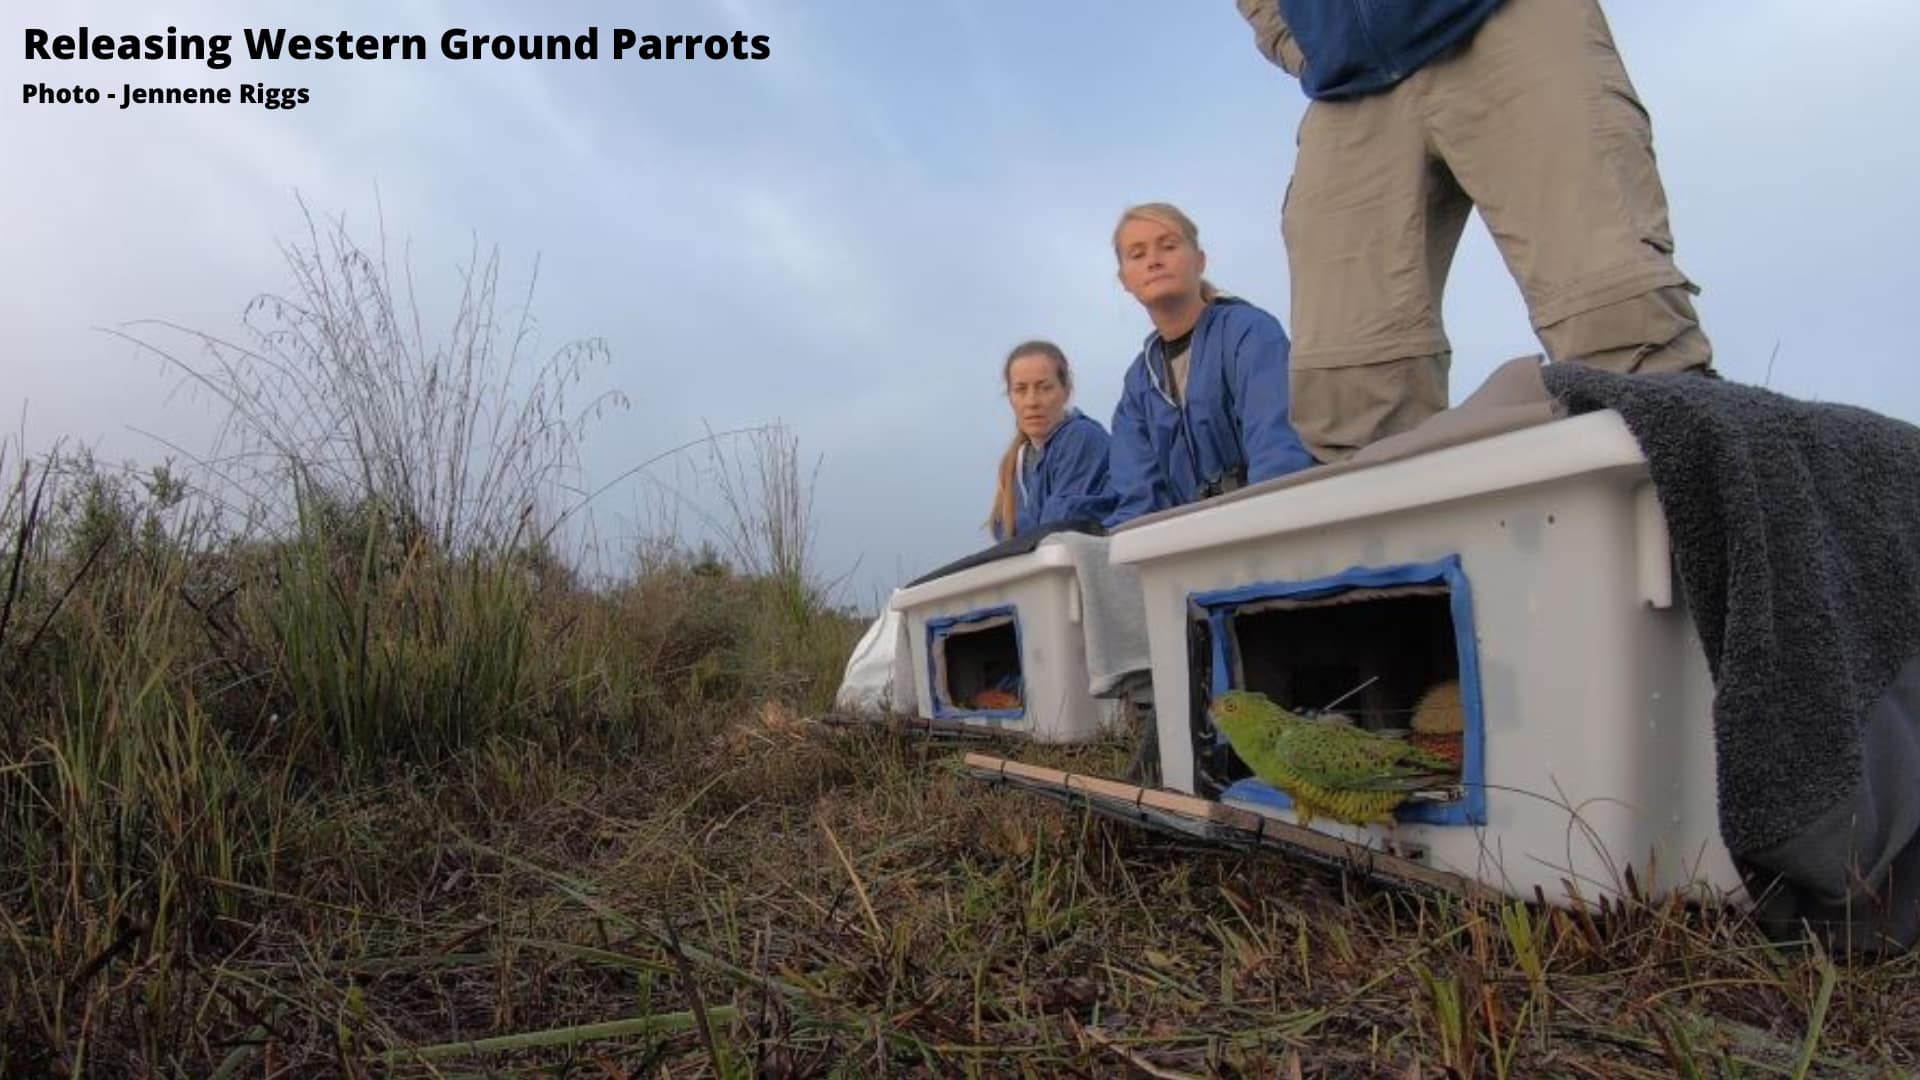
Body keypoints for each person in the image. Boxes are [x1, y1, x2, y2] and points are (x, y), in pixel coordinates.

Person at [1235, 0, 1715, 463]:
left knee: (1618, 316)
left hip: (1508, 24)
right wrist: (1309, 47)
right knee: (1349, 396)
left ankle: (1698, 506)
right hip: (1346, 83)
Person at [1104, 202, 1315, 529]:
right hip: (1192, 547)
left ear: (1200, 261)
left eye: (1168, 246)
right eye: (1137, 254)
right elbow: (1138, 502)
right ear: (1124, 279)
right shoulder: (1138, 383)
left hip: (1272, 529)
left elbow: (1279, 456)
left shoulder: (1249, 333)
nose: (1154, 260)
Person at [986, 340, 1116, 542]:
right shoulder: (1013, 465)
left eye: (1044, 388)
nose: (1032, 402)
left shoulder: (1081, 437)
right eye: (1020, 389)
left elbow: (1060, 527)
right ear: (1010, 397)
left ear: (1066, 391)